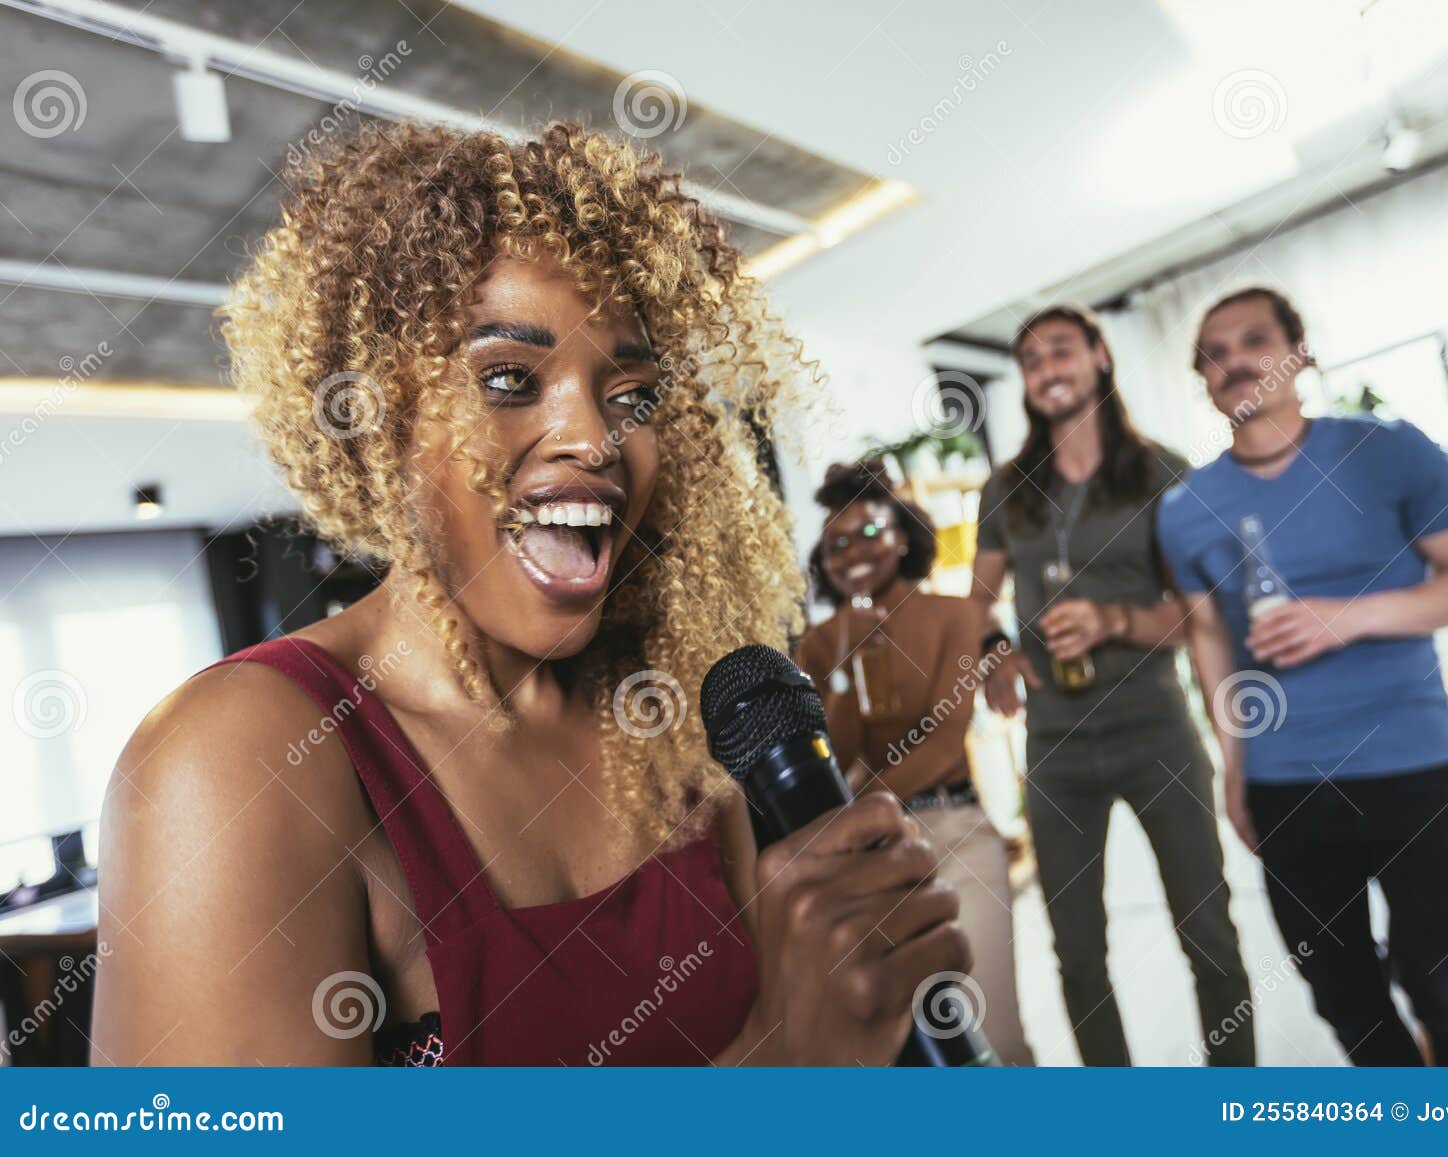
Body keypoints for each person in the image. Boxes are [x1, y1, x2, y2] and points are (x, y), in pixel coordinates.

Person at [90, 121, 973, 1067]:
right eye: (510, 379)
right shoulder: (238, 760)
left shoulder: (674, 720)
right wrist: (785, 1060)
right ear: (379, 422)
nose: (592, 437)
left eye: (632, 395)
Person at [1158, 286, 1448, 1066]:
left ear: (1300, 351)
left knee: (1446, 982)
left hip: (1409, 767)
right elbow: (1209, 640)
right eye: (1214, 354)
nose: (1235, 362)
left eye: (1255, 339)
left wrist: (1343, 617)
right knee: (1342, 993)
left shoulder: (1388, 450)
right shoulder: (1186, 508)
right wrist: (1235, 768)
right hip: (1286, 784)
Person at [973, 305, 1253, 1066]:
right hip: (1057, 746)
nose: (1047, 370)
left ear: (1099, 356)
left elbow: (1199, 613)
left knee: (1208, 931)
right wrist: (993, 651)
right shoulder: (1008, 488)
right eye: (1031, 360)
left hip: (1156, 730)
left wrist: (1114, 620)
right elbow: (976, 600)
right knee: (1078, 953)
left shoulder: (1162, 472)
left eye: (1061, 351)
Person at [794, 460, 1035, 1066]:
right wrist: (848, 659)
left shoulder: (958, 616)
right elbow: (838, 755)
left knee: (996, 1034)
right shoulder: (820, 645)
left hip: (957, 834)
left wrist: (864, 795)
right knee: (923, 1046)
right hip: (875, 854)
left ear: (903, 538)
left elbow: (942, 738)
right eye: (837, 544)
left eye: (871, 534)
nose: (853, 553)